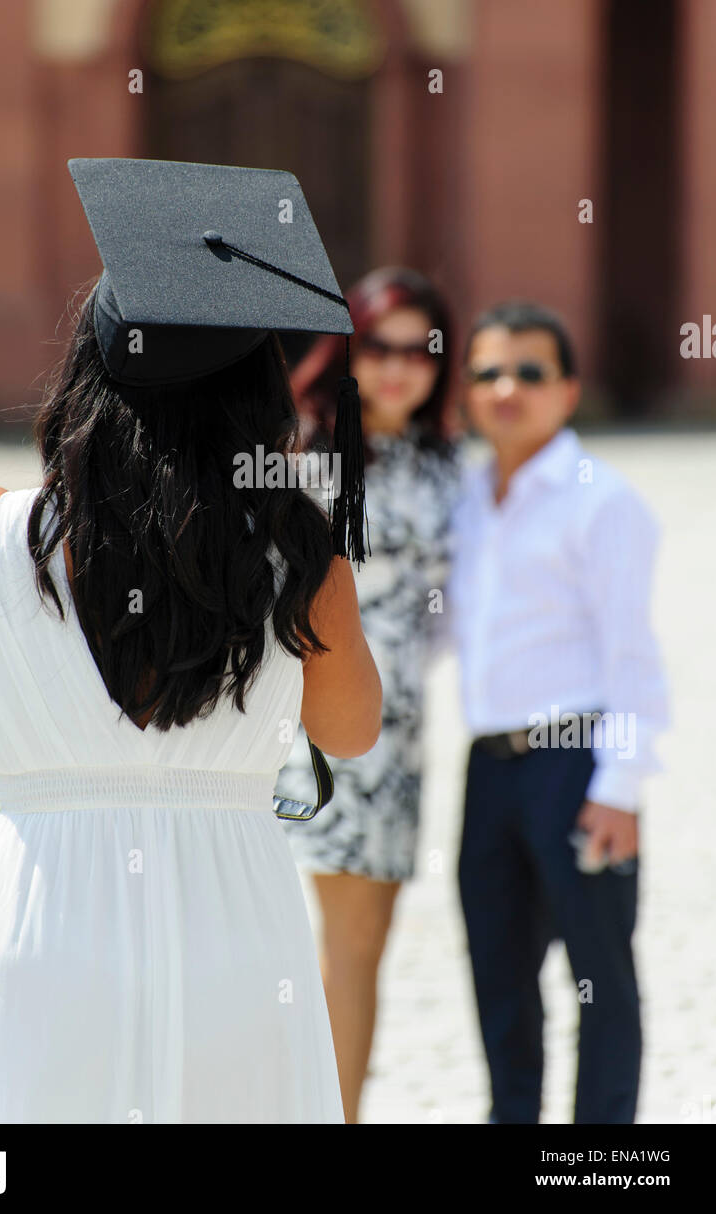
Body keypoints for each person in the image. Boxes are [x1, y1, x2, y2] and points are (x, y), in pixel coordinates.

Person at [0, 157, 382, 1123]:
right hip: (232, 921)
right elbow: (351, 730)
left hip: (41, 915)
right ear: (258, 392)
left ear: (85, 371)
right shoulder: (296, 549)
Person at [447, 300, 669, 1124]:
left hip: (575, 764)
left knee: (598, 981)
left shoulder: (600, 501)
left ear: (569, 390)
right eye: (487, 372)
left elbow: (633, 657)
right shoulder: (469, 498)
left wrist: (621, 786)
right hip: (488, 770)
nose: (507, 388)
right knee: (499, 983)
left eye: (530, 372)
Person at [275, 266, 461, 1123]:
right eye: (378, 345)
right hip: (309, 740)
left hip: (401, 745)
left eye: (419, 349)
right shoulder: (300, 451)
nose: (397, 366)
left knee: (361, 951)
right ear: (349, 348)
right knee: (302, 953)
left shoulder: (444, 464)